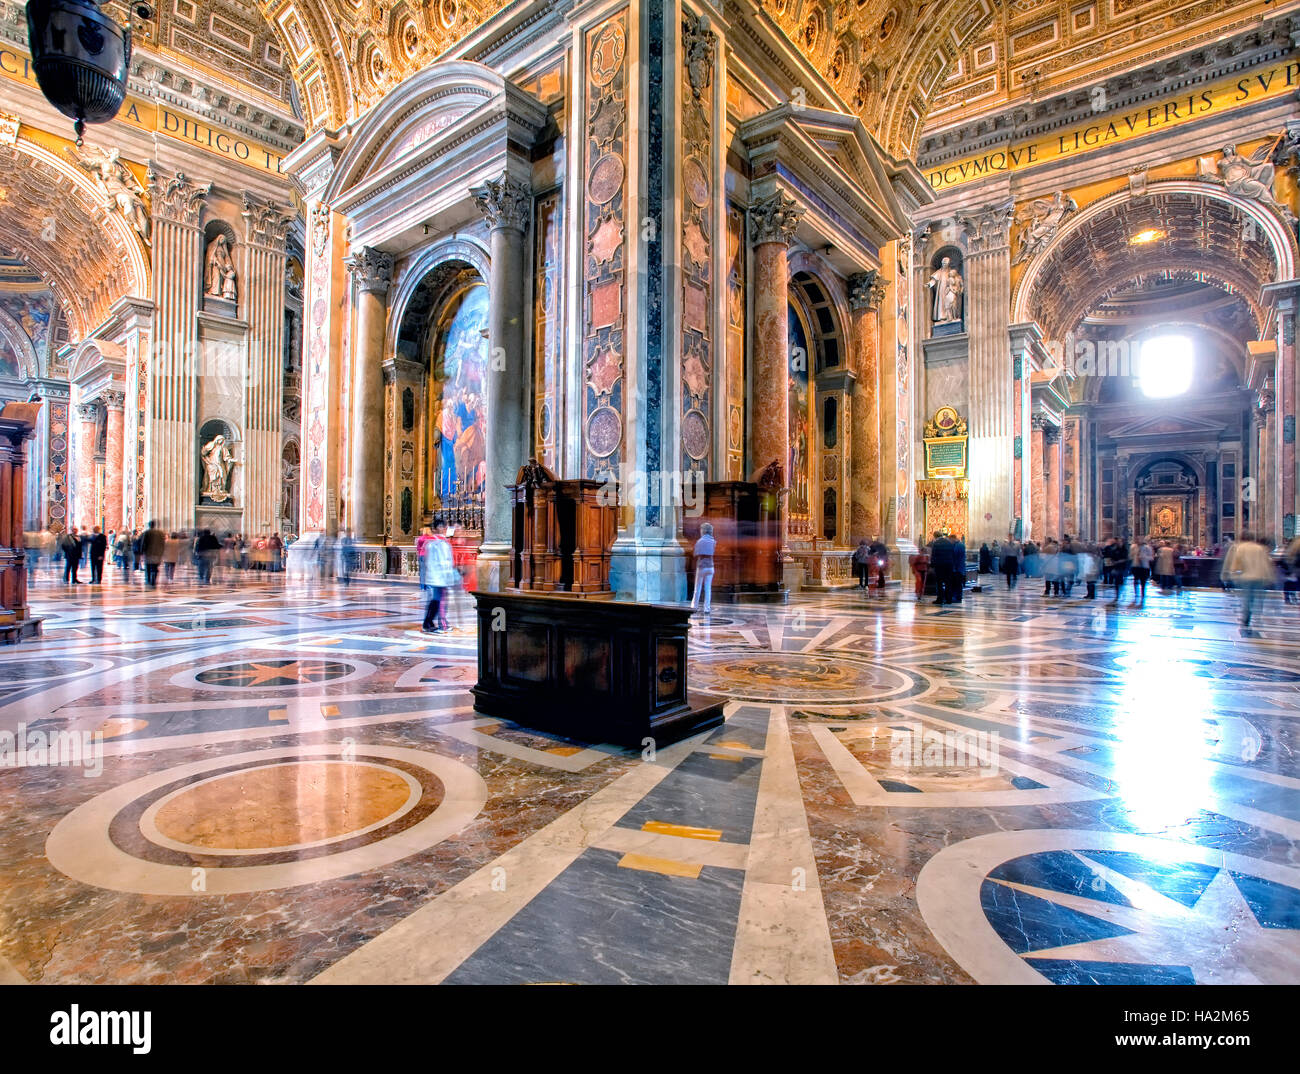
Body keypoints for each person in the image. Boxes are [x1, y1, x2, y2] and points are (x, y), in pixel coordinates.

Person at [1221, 533, 1275, 636]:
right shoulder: (1260, 548)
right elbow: (1266, 563)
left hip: (1247, 578)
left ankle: (1246, 620)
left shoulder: (1240, 548)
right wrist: (1269, 577)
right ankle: (1257, 617)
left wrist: (1232, 575)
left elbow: (1236, 564)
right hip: (1260, 577)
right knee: (1258, 599)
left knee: (1247, 600)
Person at [420, 518, 459, 632]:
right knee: (440, 600)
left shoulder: (435, 542)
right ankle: (441, 624)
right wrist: (447, 574)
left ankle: (428, 622)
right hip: (439, 576)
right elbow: (443, 560)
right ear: (438, 528)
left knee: (436, 599)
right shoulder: (438, 543)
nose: (444, 529)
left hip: (437, 576)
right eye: (443, 527)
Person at [691, 523, 717, 614]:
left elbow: (695, 553)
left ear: (703, 531)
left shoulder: (700, 541)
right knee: (708, 588)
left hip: (701, 567)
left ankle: (694, 607)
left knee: (697, 588)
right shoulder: (713, 541)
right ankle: (707, 608)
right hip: (711, 567)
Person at [930, 531, 953, 605]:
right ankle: (948, 599)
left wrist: (932, 565)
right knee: (948, 582)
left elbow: (934, 555)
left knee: (939, 583)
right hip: (949, 565)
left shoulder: (936, 543)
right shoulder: (949, 542)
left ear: (935, 536)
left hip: (939, 565)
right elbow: (953, 553)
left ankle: (940, 599)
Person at [1129, 536, 1153, 605]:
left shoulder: (1147, 548)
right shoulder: (1133, 547)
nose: (1138, 541)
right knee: (1135, 580)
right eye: (1137, 539)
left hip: (1144, 566)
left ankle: (1143, 593)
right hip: (1136, 565)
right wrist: (1134, 556)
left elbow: (1151, 557)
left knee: (1143, 581)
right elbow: (1130, 556)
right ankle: (1136, 593)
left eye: (1140, 539)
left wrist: (1144, 557)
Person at [141, 520, 166, 587]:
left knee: (148, 567)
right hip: (157, 553)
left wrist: (142, 552)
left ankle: (148, 580)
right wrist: (162, 552)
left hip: (148, 553)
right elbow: (163, 544)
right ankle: (153, 580)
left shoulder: (146, 533)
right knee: (155, 567)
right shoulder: (160, 533)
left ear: (149, 525)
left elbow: (143, 543)